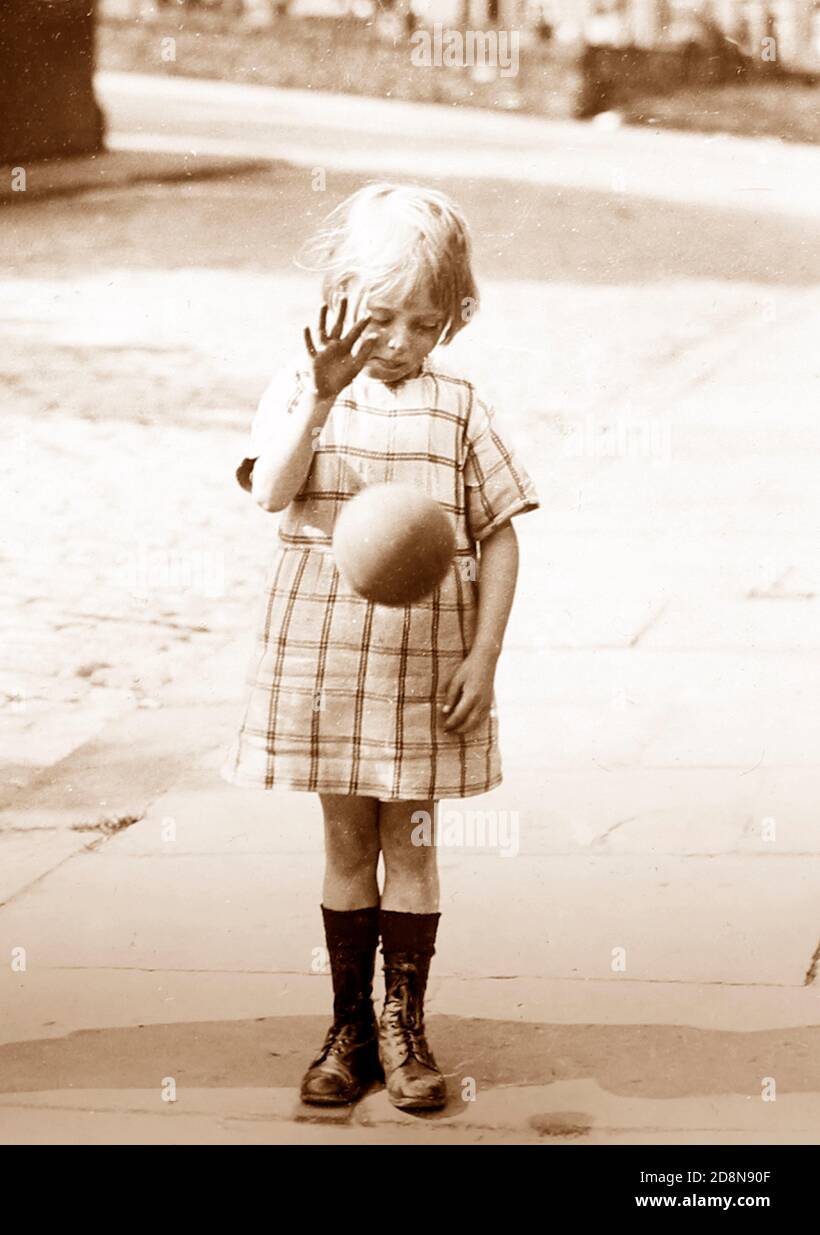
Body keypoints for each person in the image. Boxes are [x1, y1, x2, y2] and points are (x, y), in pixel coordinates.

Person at [222, 183, 539, 1110]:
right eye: (381, 318)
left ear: (452, 320)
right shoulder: (301, 384)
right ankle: (347, 1024)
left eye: (424, 322)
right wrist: (319, 400)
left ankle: (404, 1022)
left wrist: (484, 658)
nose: (399, 341)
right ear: (339, 301)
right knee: (344, 835)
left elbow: (506, 530)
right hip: (327, 654)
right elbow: (269, 493)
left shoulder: (459, 405)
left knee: (413, 840)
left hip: (424, 664)